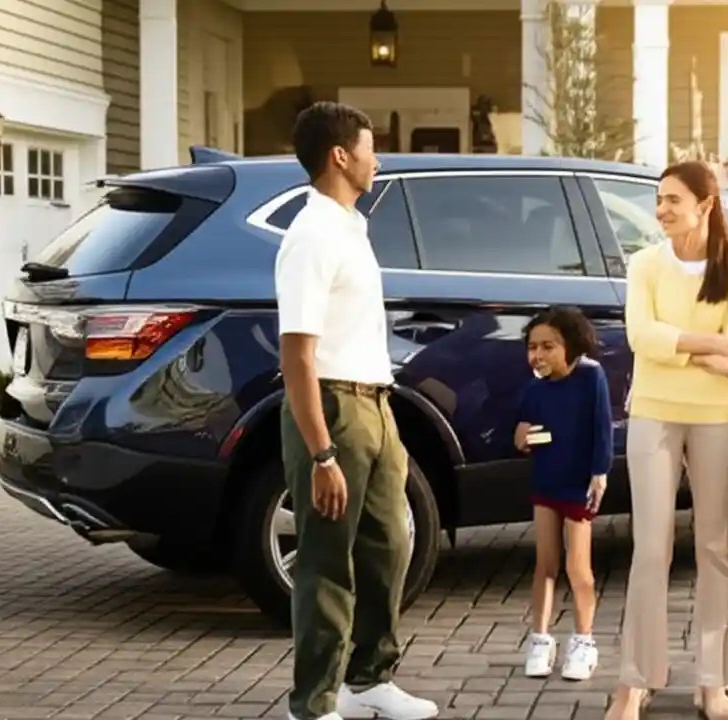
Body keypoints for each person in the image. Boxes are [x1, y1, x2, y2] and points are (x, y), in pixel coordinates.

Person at [275, 101, 438, 720]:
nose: (378, 158)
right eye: (370, 147)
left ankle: (370, 679)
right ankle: (313, 703)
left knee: (388, 546)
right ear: (340, 156)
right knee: (325, 561)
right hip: (335, 409)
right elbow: (297, 354)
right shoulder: (311, 236)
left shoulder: (348, 228)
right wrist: (321, 453)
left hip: (377, 403)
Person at [606, 161, 728, 720]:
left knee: (717, 548)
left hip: (719, 416)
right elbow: (639, 336)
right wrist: (703, 351)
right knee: (651, 548)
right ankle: (634, 680)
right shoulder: (645, 263)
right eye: (659, 199)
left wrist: (687, 348)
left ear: (706, 205)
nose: (661, 209)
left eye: (673, 199)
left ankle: (713, 682)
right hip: (653, 413)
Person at [513, 306, 613, 681]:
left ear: (569, 345)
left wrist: (599, 473)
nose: (538, 355)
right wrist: (522, 438)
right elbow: (521, 430)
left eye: (548, 346)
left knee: (578, 567)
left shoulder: (591, 377)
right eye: (533, 347)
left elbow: (603, 429)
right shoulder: (535, 387)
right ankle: (540, 637)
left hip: (579, 485)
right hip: (546, 482)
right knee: (546, 564)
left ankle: (584, 640)